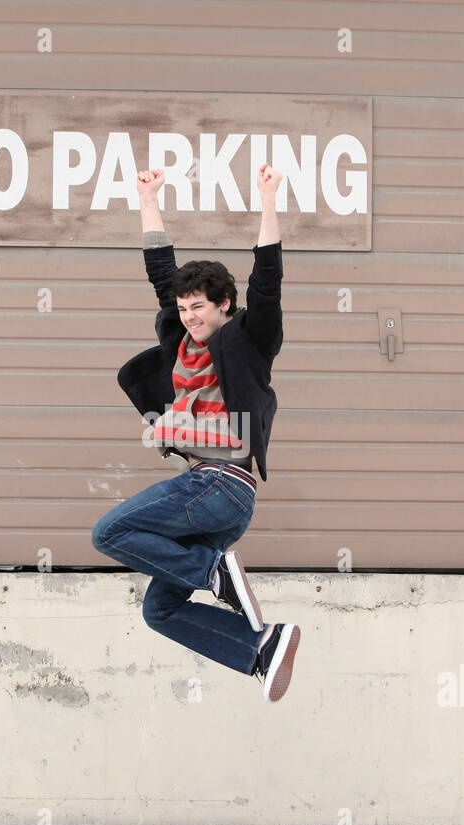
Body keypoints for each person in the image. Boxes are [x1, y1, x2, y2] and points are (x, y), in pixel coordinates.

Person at [91, 162, 302, 702]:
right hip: (214, 504)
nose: (188, 316)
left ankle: (214, 575)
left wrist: (268, 198)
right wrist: (147, 198)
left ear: (224, 305)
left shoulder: (247, 341)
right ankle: (259, 645)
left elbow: (268, 281)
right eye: (183, 308)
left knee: (109, 534)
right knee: (159, 610)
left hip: (220, 483)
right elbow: (160, 269)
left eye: (199, 307)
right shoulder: (179, 339)